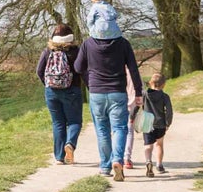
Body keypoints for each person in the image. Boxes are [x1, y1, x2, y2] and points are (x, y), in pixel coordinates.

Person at [75, 30, 143, 181]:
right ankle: (117, 160)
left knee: (102, 130)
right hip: (117, 92)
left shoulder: (88, 43)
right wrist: (138, 91)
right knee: (119, 128)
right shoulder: (123, 43)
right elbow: (133, 69)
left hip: (97, 93)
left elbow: (78, 67)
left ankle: (105, 166)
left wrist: (90, 80)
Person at [36, 24, 82, 165]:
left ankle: (59, 157)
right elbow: (81, 69)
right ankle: (70, 144)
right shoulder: (75, 52)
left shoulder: (47, 51)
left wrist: (49, 85)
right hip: (72, 91)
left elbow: (39, 71)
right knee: (74, 121)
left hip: (51, 92)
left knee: (58, 123)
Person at [141, 72, 174, 177]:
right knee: (159, 144)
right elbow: (169, 111)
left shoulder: (145, 95)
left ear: (150, 83)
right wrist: (168, 123)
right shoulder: (165, 96)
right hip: (160, 123)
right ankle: (159, 165)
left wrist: (132, 117)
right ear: (163, 84)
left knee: (148, 145)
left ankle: (148, 161)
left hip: (147, 123)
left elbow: (138, 106)